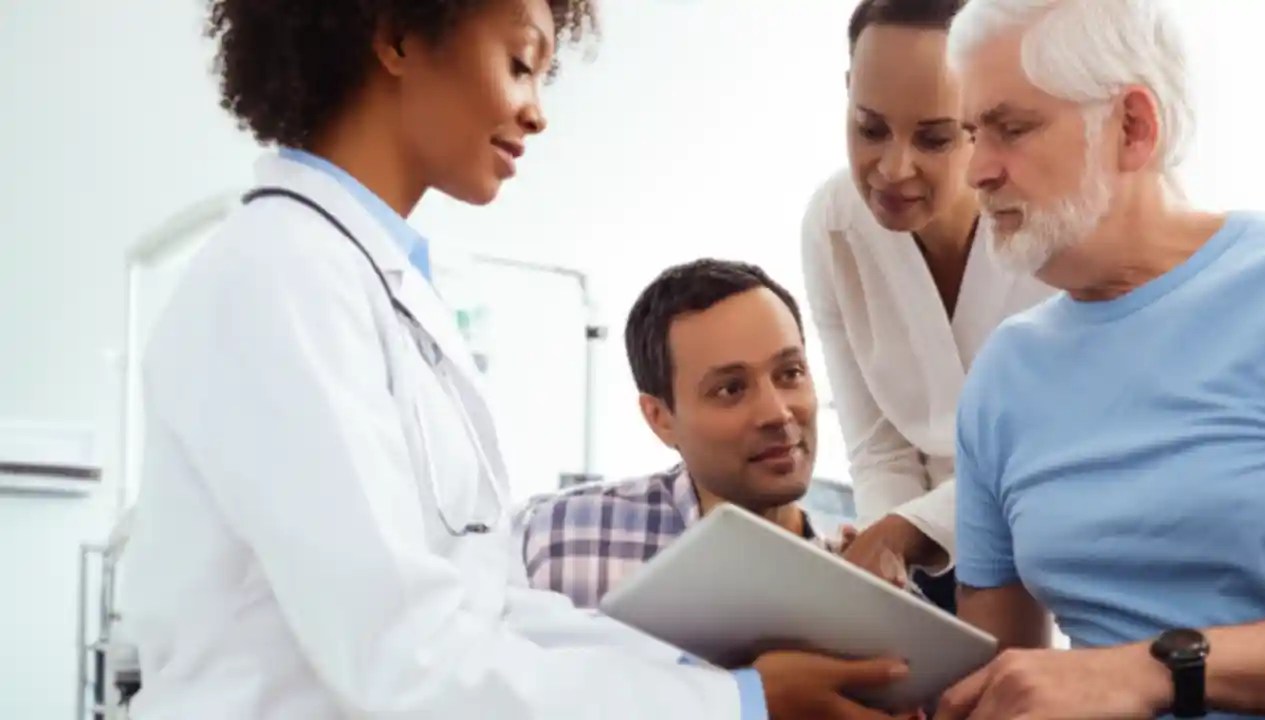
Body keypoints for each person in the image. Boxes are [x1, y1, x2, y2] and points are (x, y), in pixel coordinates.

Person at [119, 1, 917, 719]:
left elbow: (492, 612)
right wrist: (737, 701)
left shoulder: (380, 285)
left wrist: (722, 675)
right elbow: (407, 655)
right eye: (519, 63)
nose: (537, 115)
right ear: (397, 36)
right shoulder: (282, 275)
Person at [931, 1, 1265, 718]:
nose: (976, 171)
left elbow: (1107, 680)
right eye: (971, 134)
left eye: (1011, 128)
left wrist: (1151, 673)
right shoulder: (1003, 378)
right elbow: (998, 677)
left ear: (1132, 127)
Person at [800, 0, 1053, 610]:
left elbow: (1053, 447)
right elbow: (880, 448)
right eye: (870, 128)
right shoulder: (833, 228)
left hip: (1052, 542)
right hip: (929, 553)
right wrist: (894, 576)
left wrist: (905, 533)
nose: (892, 168)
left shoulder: (1049, 232)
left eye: (935, 138)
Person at [521, 259, 838, 610]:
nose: (777, 413)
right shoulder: (561, 539)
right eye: (730, 389)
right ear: (660, 419)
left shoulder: (862, 579)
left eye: (790, 373)